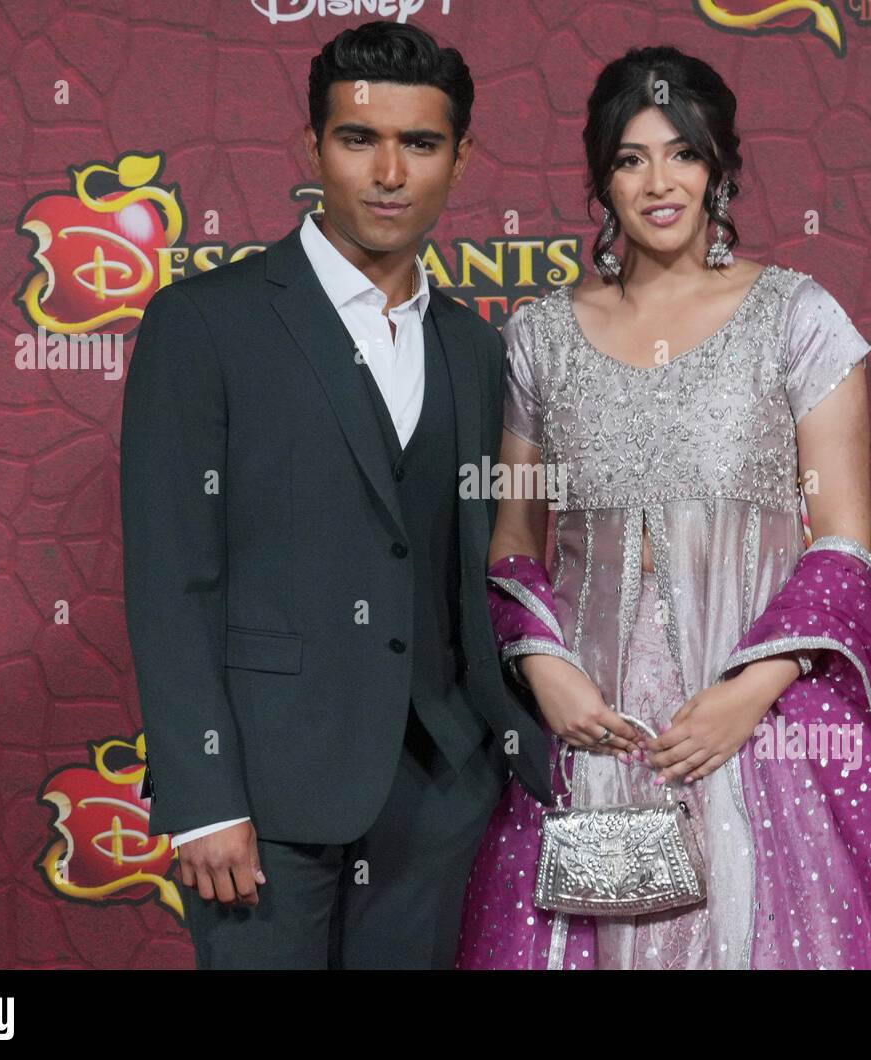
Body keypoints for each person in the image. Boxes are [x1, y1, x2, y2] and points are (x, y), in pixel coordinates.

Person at [456, 45, 871, 970]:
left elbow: (843, 542)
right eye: (630, 157)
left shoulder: (797, 318)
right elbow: (512, 538)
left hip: (757, 729)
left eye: (683, 153)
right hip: (594, 736)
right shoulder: (537, 340)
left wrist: (749, 695)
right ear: (599, 180)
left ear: (721, 168)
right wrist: (547, 672)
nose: (659, 182)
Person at [120, 20, 552, 969]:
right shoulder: (205, 323)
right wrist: (205, 797)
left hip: (439, 793)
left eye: (421, 144)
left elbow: (480, 561)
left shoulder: (477, 349)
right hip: (263, 798)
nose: (389, 172)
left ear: (462, 157)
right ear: (313, 147)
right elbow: (171, 579)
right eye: (360, 140)